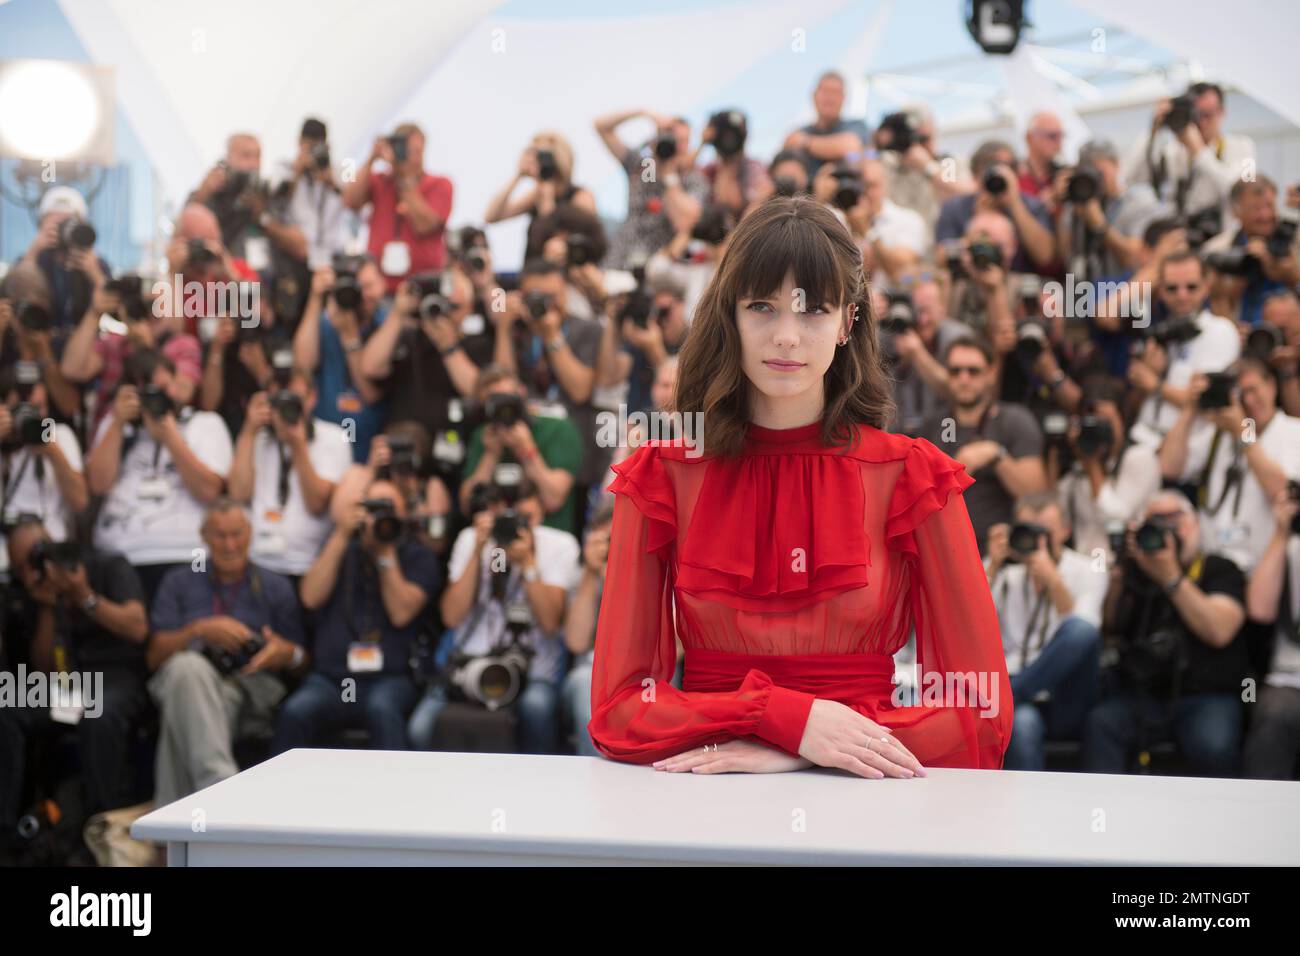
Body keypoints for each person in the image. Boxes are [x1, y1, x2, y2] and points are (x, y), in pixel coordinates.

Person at [588, 196, 1012, 775]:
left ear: (848, 323)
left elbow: (981, 716)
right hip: (708, 805)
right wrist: (785, 720)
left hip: (860, 799)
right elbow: (617, 711)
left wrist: (798, 744)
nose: (786, 336)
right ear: (729, 317)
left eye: (812, 309)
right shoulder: (662, 475)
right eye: (761, 306)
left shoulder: (915, 476)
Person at [0, 520, 150, 863]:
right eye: (19, 569)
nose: (28, 575)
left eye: (33, 562)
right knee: (5, 703)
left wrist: (83, 595)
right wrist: (48, 607)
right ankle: (7, 830)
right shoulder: (30, 593)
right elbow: (42, 670)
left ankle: (100, 828)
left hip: (114, 677)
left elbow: (138, 630)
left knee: (98, 714)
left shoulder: (107, 565)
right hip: (64, 684)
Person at [146, 500, 305, 806]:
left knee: (184, 711)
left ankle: (166, 837)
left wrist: (285, 653)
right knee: (187, 669)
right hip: (187, 682)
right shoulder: (179, 581)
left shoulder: (275, 586)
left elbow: (302, 663)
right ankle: (223, 795)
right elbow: (153, 659)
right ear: (203, 536)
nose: (230, 545)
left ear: (250, 534)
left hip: (248, 689)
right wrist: (198, 630)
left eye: (237, 534)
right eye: (220, 536)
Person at [408, 475, 579, 754]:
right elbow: (451, 617)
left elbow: (550, 623)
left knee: (537, 710)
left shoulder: (559, 545)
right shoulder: (471, 539)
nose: (514, 526)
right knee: (420, 727)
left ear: (541, 514)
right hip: (471, 664)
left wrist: (528, 564)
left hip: (531, 668)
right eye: (505, 518)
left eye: (525, 517)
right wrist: (477, 551)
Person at [1083, 490, 1247, 776]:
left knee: (1214, 745)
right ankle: (1101, 815)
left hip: (1207, 695)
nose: (1167, 529)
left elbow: (1219, 631)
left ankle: (1220, 818)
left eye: (1175, 519)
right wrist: (1121, 574)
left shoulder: (1221, 569)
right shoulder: (1137, 572)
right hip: (1146, 694)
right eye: (1156, 521)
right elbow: (1109, 629)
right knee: (1101, 723)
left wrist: (1170, 577)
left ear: (1196, 525)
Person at [277, 477, 440, 751]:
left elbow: (401, 613)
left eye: (388, 508)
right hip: (333, 678)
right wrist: (341, 534)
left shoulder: (417, 557)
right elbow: (310, 597)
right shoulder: (340, 550)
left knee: (382, 710)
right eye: (373, 507)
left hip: (390, 677)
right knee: (296, 711)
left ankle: (396, 791)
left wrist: (385, 554)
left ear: (404, 515)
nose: (379, 517)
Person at [86, 350, 233, 604]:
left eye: (164, 388)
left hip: (189, 555)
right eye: (148, 392)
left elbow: (209, 491)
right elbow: (98, 485)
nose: (158, 398)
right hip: (121, 555)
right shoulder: (116, 426)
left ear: (178, 383)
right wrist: (118, 423)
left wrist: (169, 435)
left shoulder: (206, 424)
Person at [985, 493, 1105, 771]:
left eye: (1045, 533)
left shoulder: (1088, 569)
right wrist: (992, 563)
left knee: (1081, 630)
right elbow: (966, 618)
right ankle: (1028, 811)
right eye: (1027, 532)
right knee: (1023, 727)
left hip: (1065, 691)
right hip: (1021, 696)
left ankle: (1010, 696)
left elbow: (1084, 632)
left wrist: (1053, 580)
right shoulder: (1004, 573)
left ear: (1065, 531)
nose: (1036, 542)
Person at [1158, 357, 1300, 573]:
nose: (1249, 401)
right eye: (1241, 395)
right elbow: (1169, 467)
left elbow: (1283, 493)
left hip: (1262, 569)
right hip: (1212, 564)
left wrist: (1243, 433)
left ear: (1271, 385)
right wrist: (1189, 409)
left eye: (1254, 390)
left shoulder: (1293, 431)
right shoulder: (1220, 434)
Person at [918, 336, 1048, 556]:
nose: (964, 378)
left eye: (973, 371)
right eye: (955, 371)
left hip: (1001, 553)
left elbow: (1035, 495)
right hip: (943, 550)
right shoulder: (932, 425)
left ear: (991, 374)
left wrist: (997, 456)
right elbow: (917, 497)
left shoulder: (1014, 420)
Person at [226, 366, 353, 580]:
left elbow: (317, 504)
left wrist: (298, 445)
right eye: (278, 401)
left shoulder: (333, 437)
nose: (285, 409)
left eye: (293, 401)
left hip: (307, 566)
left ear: (312, 398)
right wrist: (248, 432)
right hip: (257, 564)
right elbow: (238, 495)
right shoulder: (257, 437)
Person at [1128, 250, 1240, 450]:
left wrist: (1154, 383)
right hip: (1143, 439)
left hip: (1186, 452)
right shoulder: (1159, 333)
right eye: (1172, 288)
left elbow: (1209, 403)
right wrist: (1145, 377)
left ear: (1206, 286)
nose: (1182, 295)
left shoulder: (1220, 331)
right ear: (1160, 290)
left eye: (1191, 287)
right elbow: (1134, 403)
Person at [342, 123, 454, 293]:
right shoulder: (380, 180)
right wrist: (372, 157)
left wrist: (404, 179)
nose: (411, 157)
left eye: (415, 151)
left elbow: (424, 226)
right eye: (405, 150)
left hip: (422, 285)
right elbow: (349, 200)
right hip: (379, 286)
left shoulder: (440, 184)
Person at [0, 363, 87, 579]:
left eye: (39, 409)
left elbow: (80, 502)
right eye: (25, 408)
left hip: (52, 554)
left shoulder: (60, 434)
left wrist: (50, 448)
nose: (32, 417)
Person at [1123, 81, 1256, 222]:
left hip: (1223, 237)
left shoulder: (1245, 146)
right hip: (1180, 237)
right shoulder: (1172, 151)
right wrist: (1153, 130)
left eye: (1208, 115)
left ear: (1222, 112)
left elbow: (1247, 192)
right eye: (1196, 116)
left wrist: (1199, 152)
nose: (1202, 123)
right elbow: (1129, 178)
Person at [593, 108, 708, 270]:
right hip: (619, 260)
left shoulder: (693, 180)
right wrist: (644, 113)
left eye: (683, 142)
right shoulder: (643, 167)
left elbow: (686, 221)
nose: (677, 147)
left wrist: (669, 175)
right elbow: (601, 126)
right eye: (672, 139)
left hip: (657, 270)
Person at [1242, 489, 1300, 779]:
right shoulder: (1290, 546)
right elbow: (1259, 609)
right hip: (1289, 679)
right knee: (1274, 717)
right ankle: (1261, 815)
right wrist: (1281, 532)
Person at [483, 131, 597, 260]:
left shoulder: (580, 197)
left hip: (558, 276)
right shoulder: (536, 195)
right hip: (532, 272)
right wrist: (518, 175)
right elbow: (491, 217)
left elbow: (563, 240)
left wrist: (547, 200)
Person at [561, 500, 614, 756]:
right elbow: (575, 641)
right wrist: (592, 575)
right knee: (584, 682)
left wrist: (625, 582)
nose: (612, 546)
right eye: (606, 539)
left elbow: (674, 650)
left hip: (649, 675)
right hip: (591, 672)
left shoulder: (663, 567)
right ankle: (598, 775)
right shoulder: (583, 574)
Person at [782, 71, 870, 184]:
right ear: (814, 96)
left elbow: (851, 147)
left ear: (844, 98)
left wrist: (805, 142)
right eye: (825, 92)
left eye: (835, 93)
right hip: (807, 199)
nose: (830, 98)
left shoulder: (857, 126)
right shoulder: (798, 133)